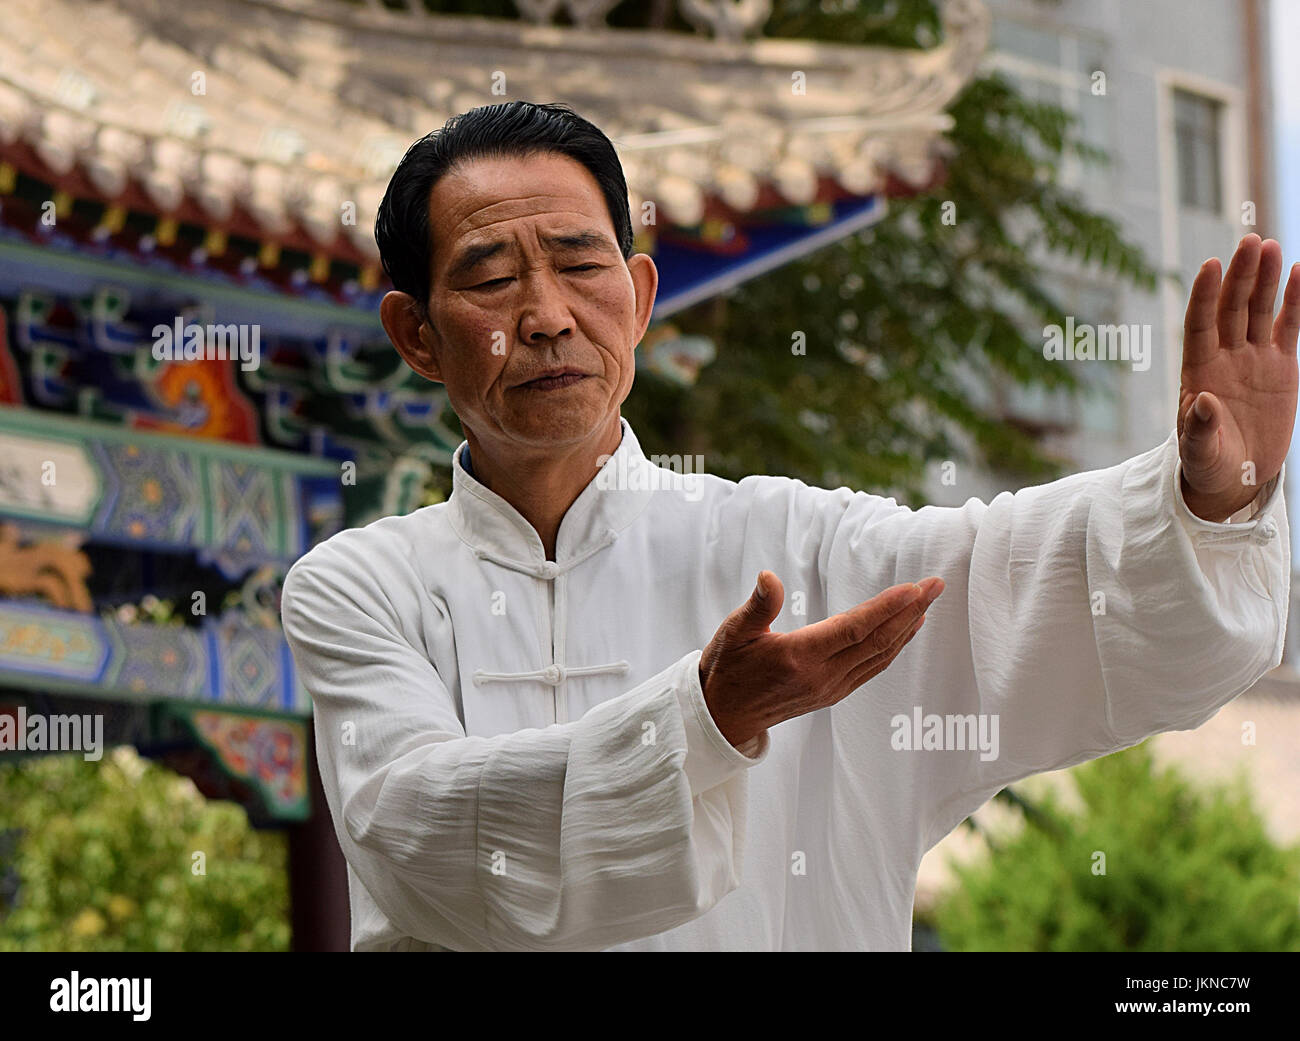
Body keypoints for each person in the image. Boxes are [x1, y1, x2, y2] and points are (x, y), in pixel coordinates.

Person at [280, 100, 1298, 951]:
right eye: (494, 278)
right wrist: (702, 721)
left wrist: (1204, 504)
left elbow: (1014, 578)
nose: (546, 314)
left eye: (580, 266)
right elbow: (418, 833)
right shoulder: (363, 587)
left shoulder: (798, 550)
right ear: (416, 333)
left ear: (637, 300)